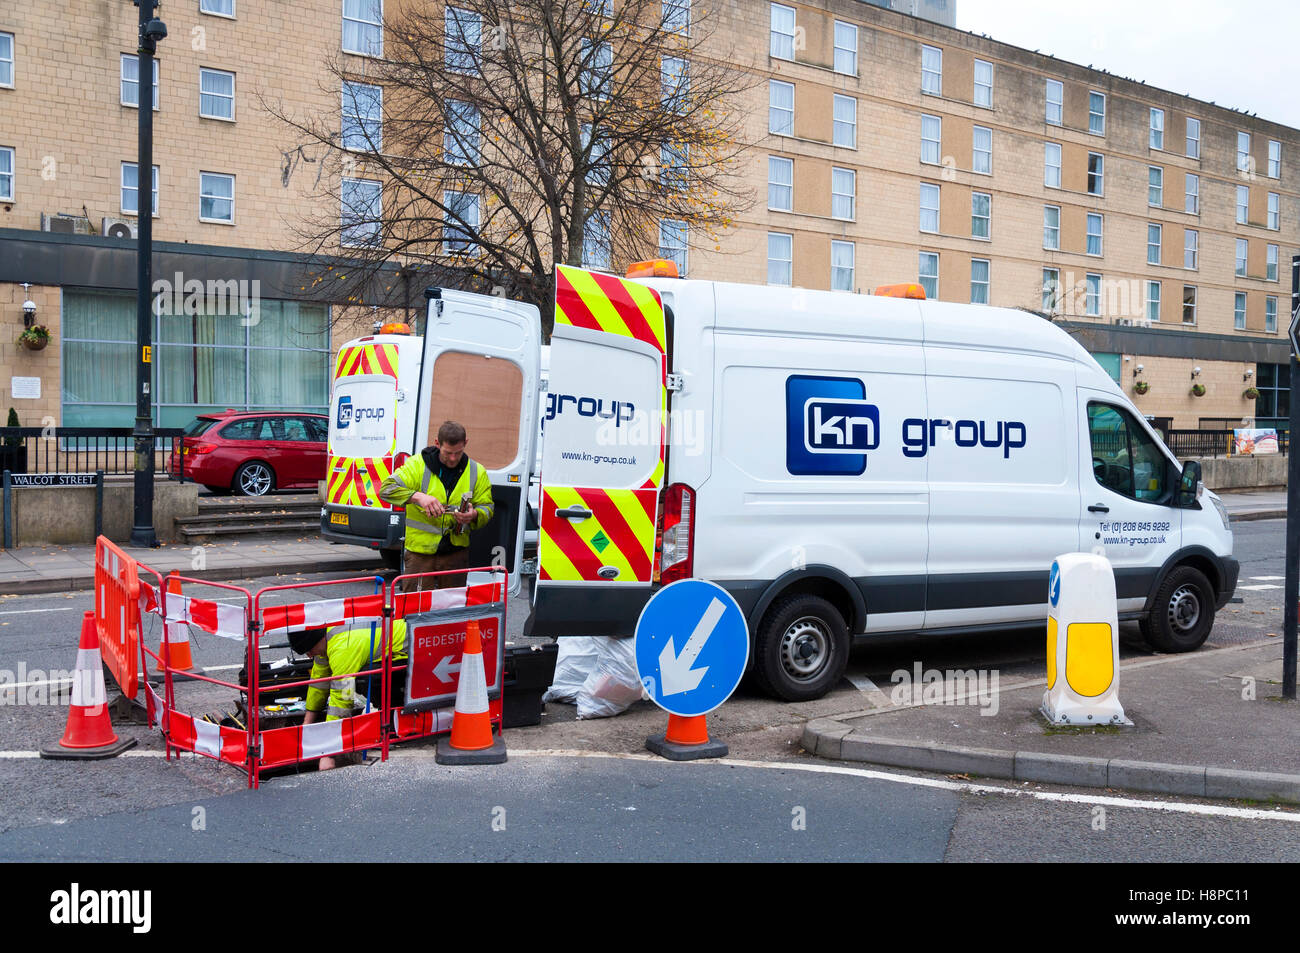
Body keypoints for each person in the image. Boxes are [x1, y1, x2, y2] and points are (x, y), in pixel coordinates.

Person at [379, 420, 494, 592]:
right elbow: (386, 489)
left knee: (451, 611)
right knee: (414, 610)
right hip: (420, 554)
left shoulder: (477, 471)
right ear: (437, 443)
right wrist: (417, 497)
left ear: (466, 443)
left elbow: (488, 507)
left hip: (455, 554)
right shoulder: (417, 465)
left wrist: (474, 515)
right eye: (448, 453)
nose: (453, 458)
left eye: (458, 452)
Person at [291, 618, 408, 770]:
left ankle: (393, 723)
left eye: (308, 650)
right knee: (363, 678)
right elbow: (319, 683)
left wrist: (328, 753)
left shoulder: (342, 648)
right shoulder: (326, 637)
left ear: (316, 640)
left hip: (408, 646)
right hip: (394, 640)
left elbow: (342, 699)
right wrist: (307, 724)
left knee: (365, 681)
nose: (308, 655)